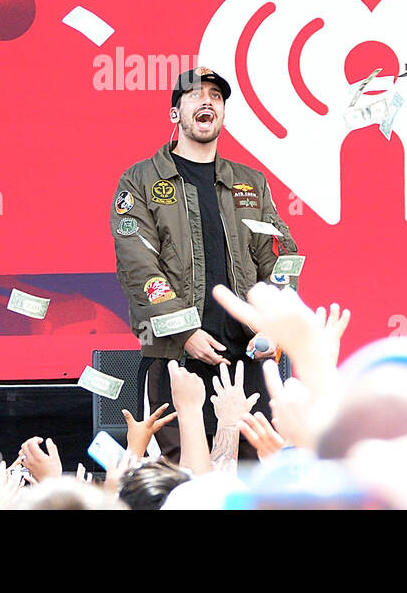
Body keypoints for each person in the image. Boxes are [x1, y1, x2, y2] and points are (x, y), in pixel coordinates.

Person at [110, 67, 298, 460]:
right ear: (175, 114)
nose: (207, 101)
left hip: (248, 358)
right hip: (176, 359)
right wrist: (185, 332)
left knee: (253, 480)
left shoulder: (252, 182)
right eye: (195, 95)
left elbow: (278, 257)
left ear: (223, 114)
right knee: (182, 481)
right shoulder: (140, 180)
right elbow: (139, 268)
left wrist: (274, 326)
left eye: (216, 96)